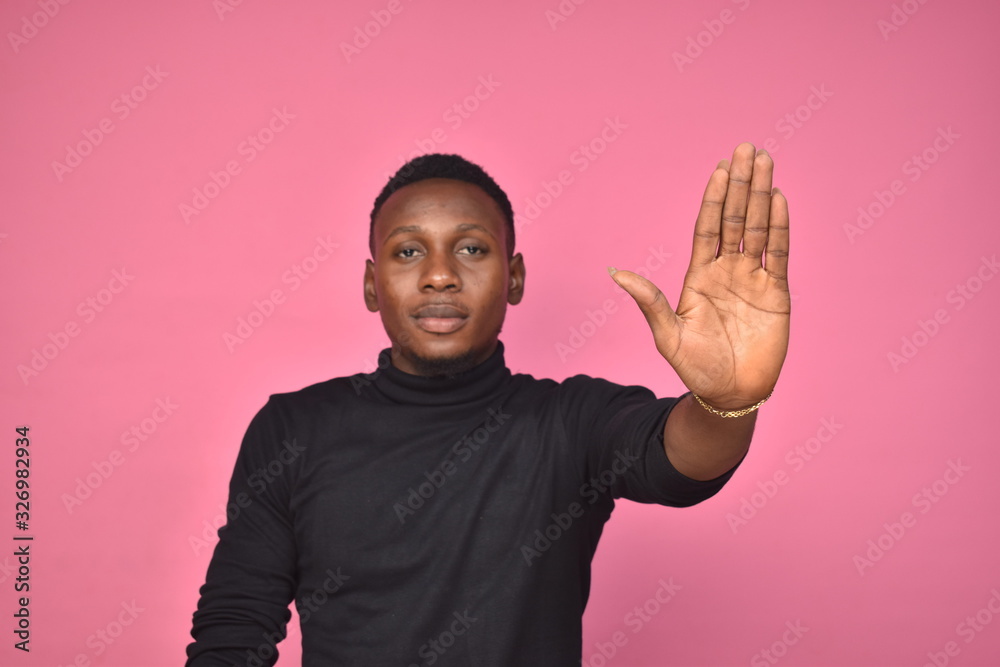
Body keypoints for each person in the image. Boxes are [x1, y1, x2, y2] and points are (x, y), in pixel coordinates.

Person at [186, 143, 791, 666]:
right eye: (407, 252)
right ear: (373, 286)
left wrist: (725, 402)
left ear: (515, 277)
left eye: (472, 249)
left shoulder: (569, 423)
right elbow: (235, 628)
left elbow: (680, 463)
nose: (441, 275)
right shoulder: (293, 428)